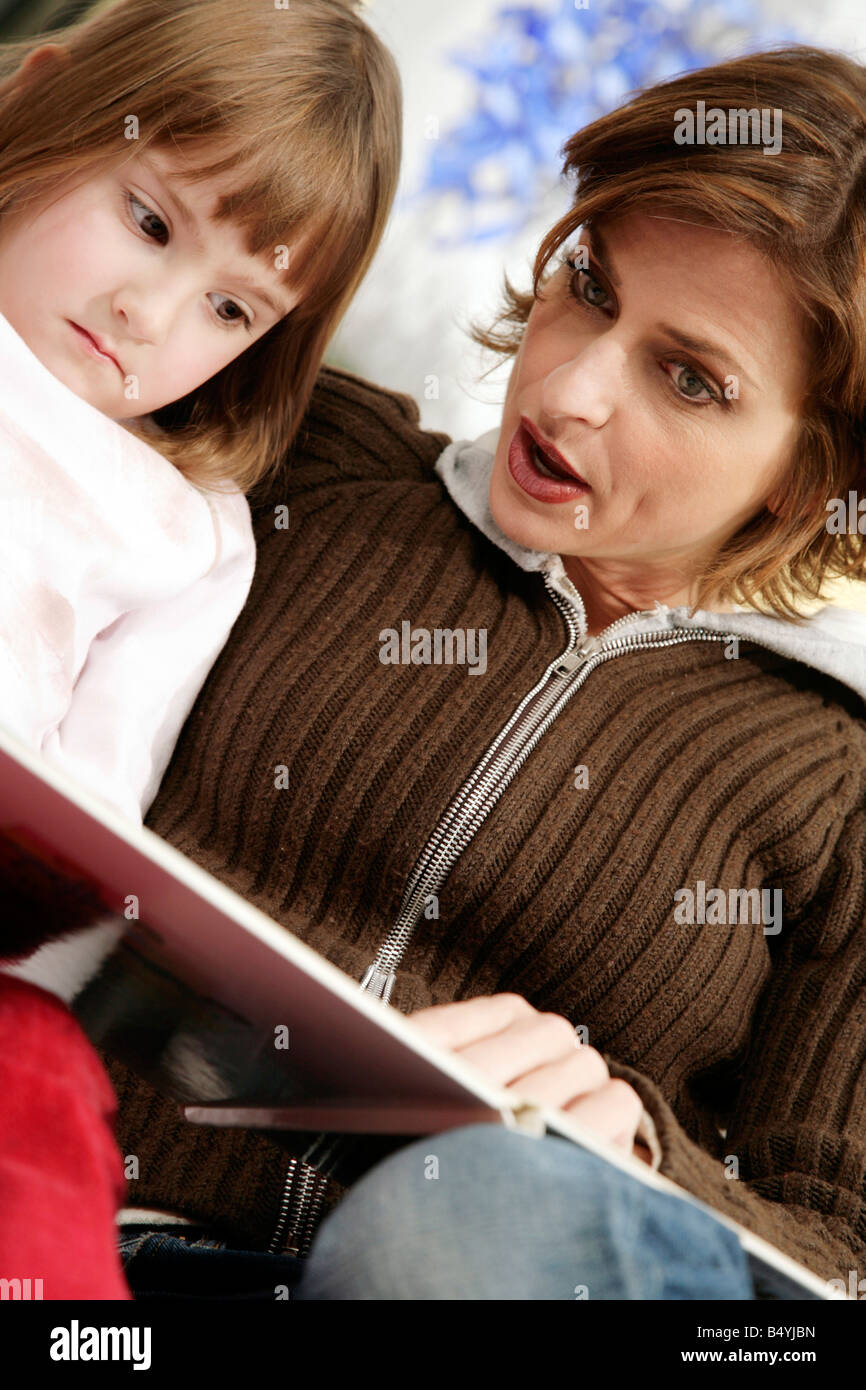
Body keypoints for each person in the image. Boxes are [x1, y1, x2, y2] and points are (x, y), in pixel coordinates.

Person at [31, 41, 866, 1300]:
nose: (569, 384)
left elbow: (837, 1251)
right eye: (587, 287)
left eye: (688, 379)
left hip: (490, 1270)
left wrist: (635, 1153)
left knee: (474, 1222)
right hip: (90, 1233)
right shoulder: (295, 450)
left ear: (815, 478)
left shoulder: (840, 782)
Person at [0, 0, 401, 1298]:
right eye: (151, 220)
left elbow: (94, 817)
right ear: (40, 94)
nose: (148, 309)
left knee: (39, 1092)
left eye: (231, 305)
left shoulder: (185, 525)